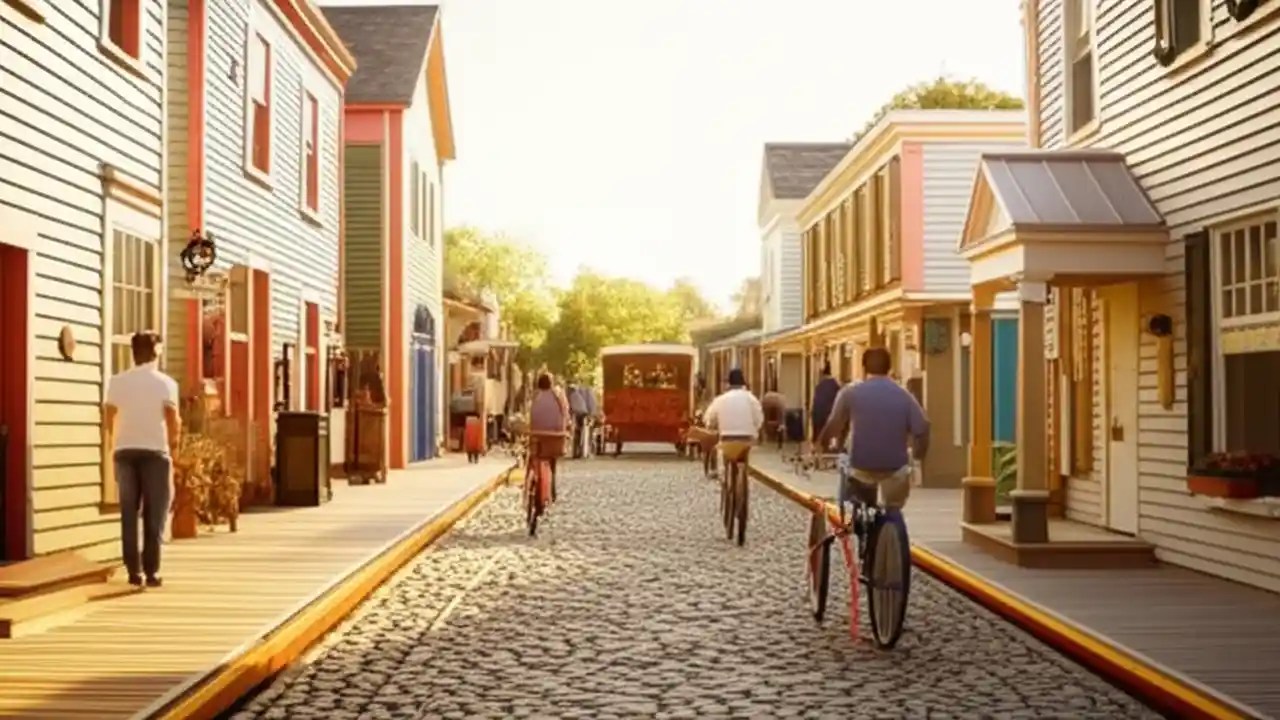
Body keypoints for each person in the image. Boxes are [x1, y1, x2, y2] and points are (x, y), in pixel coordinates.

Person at [103, 331, 181, 588]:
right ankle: (152, 570)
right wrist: (175, 448)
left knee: (129, 512)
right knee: (155, 513)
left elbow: (109, 417)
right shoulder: (165, 383)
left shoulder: (116, 382)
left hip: (125, 452)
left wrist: (114, 445)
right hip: (155, 452)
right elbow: (172, 419)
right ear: (156, 351)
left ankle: (133, 571)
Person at [815, 348, 929, 511]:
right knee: (894, 508)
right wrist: (918, 457)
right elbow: (922, 427)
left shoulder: (850, 392)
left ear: (863, 368)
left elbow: (834, 424)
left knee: (854, 497)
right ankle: (894, 522)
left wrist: (821, 444)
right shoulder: (904, 395)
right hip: (895, 466)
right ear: (889, 368)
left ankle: (856, 524)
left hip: (861, 466)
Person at [704, 368, 764, 468]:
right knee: (745, 456)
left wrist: (711, 426)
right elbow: (759, 418)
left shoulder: (720, 399)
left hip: (727, 437)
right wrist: (755, 429)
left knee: (726, 456)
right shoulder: (751, 398)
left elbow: (710, 417)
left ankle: (726, 474)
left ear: (729, 383)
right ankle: (744, 473)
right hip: (746, 437)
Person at [528, 372, 569, 490]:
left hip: (537, 436)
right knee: (552, 459)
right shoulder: (558, 396)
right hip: (555, 436)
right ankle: (552, 485)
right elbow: (565, 414)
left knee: (536, 455)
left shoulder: (535, 397)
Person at [810, 362, 841, 449]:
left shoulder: (819, 386)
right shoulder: (836, 386)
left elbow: (816, 405)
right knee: (832, 440)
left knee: (820, 440)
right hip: (831, 417)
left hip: (819, 416)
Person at [567, 382, 589, 459]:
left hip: (579, 414)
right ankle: (580, 451)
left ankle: (577, 451)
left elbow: (571, 408)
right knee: (580, 432)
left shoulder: (572, 396)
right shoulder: (578, 395)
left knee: (578, 432)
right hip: (583, 413)